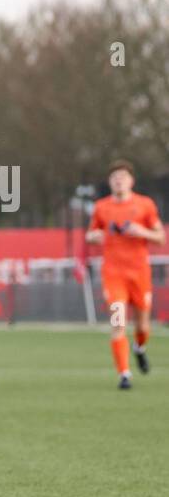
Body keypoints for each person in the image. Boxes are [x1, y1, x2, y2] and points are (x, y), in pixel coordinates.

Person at [85, 160, 165, 389]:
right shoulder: (102, 207)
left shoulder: (145, 205)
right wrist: (94, 237)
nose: (118, 180)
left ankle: (139, 348)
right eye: (114, 177)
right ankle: (124, 374)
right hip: (114, 273)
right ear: (110, 182)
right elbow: (91, 234)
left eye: (122, 176)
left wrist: (142, 232)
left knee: (142, 327)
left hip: (139, 273)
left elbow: (160, 237)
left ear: (131, 181)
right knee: (118, 322)